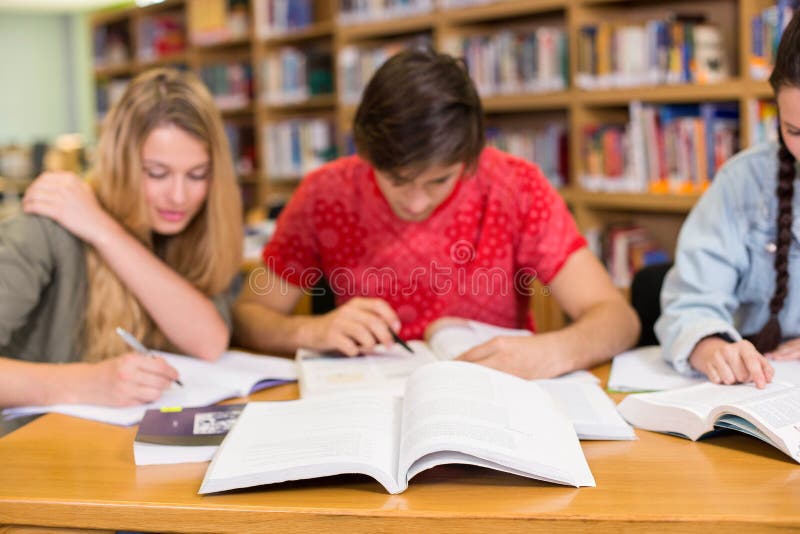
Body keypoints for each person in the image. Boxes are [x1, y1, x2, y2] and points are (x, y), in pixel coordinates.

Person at [234, 49, 639, 379]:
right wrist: (310, 329)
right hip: (366, 399)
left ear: (470, 157)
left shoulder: (516, 186)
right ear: (366, 153)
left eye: (438, 181)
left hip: (494, 399)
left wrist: (556, 350)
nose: (415, 204)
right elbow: (251, 314)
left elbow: (617, 317)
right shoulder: (325, 193)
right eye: (397, 179)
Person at [0, 68, 243, 408]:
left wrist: (103, 230)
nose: (178, 196)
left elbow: (209, 341)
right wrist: (86, 384)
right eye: (157, 173)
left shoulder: (191, 234)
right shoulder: (44, 230)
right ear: (119, 164)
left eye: (197, 175)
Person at [656, 12, 800, 389]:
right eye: (795, 131)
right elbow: (689, 304)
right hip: (764, 396)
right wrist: (710, 347)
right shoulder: (743, 182)